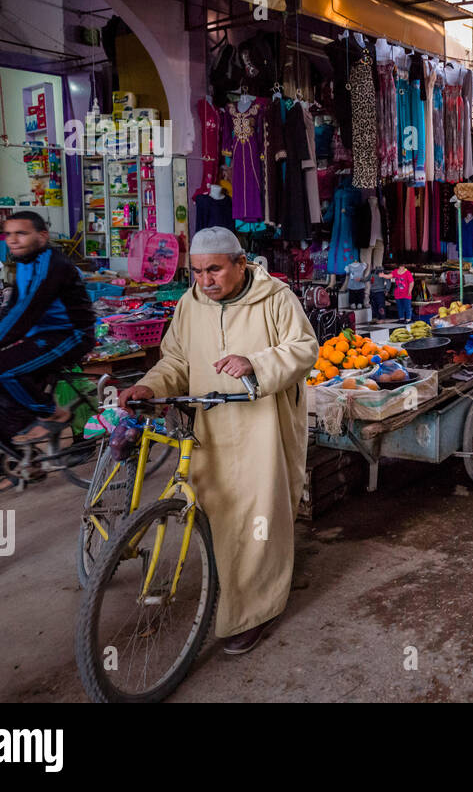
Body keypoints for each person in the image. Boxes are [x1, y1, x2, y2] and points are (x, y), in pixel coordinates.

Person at [117, 227, 317, 655]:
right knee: (219, 514)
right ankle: (232, 592)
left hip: (263, 427)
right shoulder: (190, 304)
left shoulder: (277, 297)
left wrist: (255, 364)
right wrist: (150, 386)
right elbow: (175, 359)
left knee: (258, 517)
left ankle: (253, 612)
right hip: (208, 427)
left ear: (240, 264)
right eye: (197, 271)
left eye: (214, 270)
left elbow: (303, 349)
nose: (205, 280)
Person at [0, 211, 95, 448]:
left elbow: (24, 314)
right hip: (42, 335)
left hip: (70, 336)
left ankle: (53, 414)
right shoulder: (25, 263)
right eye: (8, 234)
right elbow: (11, 309)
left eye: (21, 233)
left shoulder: (51, 265)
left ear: (42, 236)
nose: (13, 240)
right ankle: (19, 461)